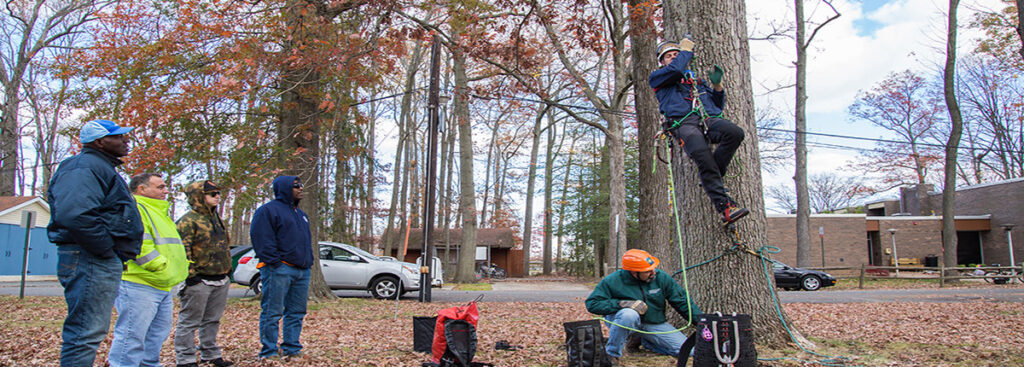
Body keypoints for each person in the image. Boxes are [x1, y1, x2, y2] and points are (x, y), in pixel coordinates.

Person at [48, 119, 144, 366]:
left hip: (96, 257)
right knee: (85, 332)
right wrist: (106, 250)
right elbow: (75, 214)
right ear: (100, 142)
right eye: (119, 137)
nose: (126, 140)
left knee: (91, 331)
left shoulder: (100, 167)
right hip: (89, 256)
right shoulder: (82, 167)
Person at [649, 38, 749, 224]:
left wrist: (717, 87)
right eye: (668, 56)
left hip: (706, 120)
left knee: (734, 133)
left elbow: (717, 107)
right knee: (702, 155)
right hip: (683, 124)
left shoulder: (696, 82)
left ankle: (712, 175)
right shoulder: (658, 77)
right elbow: (676, 70)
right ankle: (725, 207)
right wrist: (685, 51)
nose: (673, 58)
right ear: (662, 62)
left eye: (675, 55)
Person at [108, 173, 189, 367]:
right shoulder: (135, 209)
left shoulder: (159, 212)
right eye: (160, 187)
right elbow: (139, 245)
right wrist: (161, 267)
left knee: (158, 332)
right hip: (139, 282)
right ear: (142, 189)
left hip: (162, 284)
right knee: (131, 334)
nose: (165, 190)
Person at [585, 249, 702, 366]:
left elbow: (682, 302)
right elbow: (592, 303)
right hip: (623, 321)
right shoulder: (613, 281)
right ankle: (612, 354)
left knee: (689, 350)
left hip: (653, 323)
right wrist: (621, 304)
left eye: (653, 268)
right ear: (634, 272)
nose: (653, 272)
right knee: (628, 315)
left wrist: (703, 323)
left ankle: (646, 342)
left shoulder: (661, 278)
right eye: (647, 271)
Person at [250, 176, 313, 359]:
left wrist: (308, 262)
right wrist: (276, 263)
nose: (300, 188)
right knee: (272, 311)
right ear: (284, 188)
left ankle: (292, 348)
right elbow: (261, 239)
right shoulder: (268, 211)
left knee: (296, 312)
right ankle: (268, 351)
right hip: (279, 269)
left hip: (302, 271)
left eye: (301, 185)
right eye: (296, 186)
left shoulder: (301, 215)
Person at [174, 181, 234, 367]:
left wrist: (227, 272)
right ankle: (185, 358)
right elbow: (182, 251)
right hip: (199, 281)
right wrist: (192, 277)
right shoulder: (187, 221)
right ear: (199, 196)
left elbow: (224, 246)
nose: (217, 196)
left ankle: (210, 353)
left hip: (220, 279)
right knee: (189, 321)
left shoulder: (217, 219)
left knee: (212, 320)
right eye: (211, 193)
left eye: (217, 193)